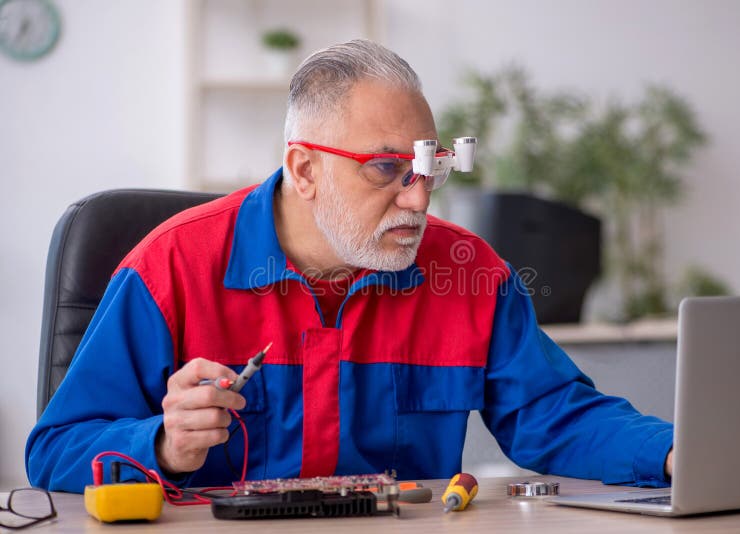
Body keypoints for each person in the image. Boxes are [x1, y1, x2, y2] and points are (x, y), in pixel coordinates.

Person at [26, 40, 673, 493]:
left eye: (429, 168)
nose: (418, 199)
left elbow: (556, 415)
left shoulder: (470, 272)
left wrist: (678, 453)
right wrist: (164, 446)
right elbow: (55, 450)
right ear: (304, 168)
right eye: (387, 168)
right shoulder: (169, 268)